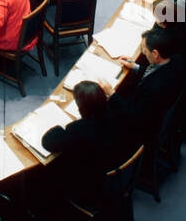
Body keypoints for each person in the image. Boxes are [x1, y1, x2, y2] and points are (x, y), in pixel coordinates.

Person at [96, 27, 186, 152]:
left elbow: (132, 116)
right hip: (161, 112)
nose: (142, 52)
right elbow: (154, 71)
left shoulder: (153, 88)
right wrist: (135, 67)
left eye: (144, 49)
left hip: (142, 128)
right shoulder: (177, 60)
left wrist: (111, 93)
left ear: (155, 54)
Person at [39, 81, 126, 209]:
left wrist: (60, 127)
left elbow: (47, 142)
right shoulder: (114, 112)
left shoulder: (78, 130)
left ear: (81, 108)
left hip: (89, 188)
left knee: (47, 170)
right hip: (112, 172)